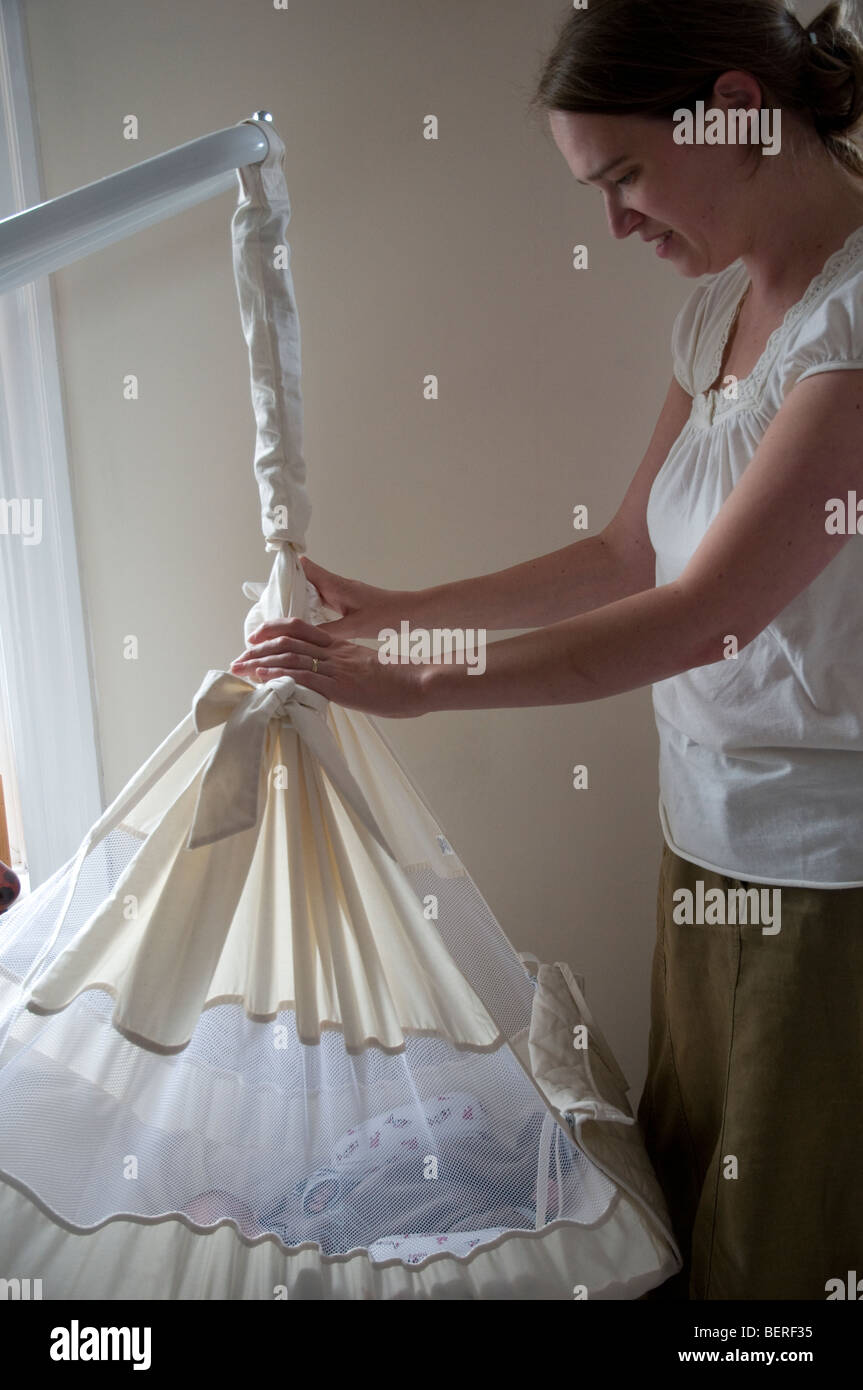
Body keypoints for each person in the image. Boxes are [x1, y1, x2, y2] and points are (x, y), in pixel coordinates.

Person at [230, 0, 863, 1300]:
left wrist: (418, 685)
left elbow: (704, 616)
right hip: (703, 848)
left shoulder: (851, 334)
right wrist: (397, 609)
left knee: (782, 1263)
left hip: (829, 889)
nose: (616, 224)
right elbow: (628, 553)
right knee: (689, 1209)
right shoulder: (726, 320)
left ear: (739, 108)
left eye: (625, 173)